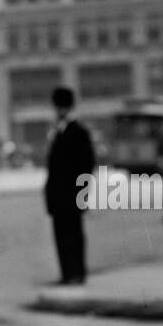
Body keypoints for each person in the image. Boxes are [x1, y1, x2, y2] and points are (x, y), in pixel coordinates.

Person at [43, 86, 95, 285]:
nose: (59, 111)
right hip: (58, 194)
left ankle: (77, 273)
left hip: (72, 193)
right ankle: (67, 273)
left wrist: (81, 193)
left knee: (73, 234)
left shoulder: (79, 131)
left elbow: (86, 165)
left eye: (62, 107)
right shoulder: (58, 131)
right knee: (61, 235)